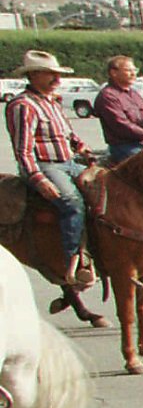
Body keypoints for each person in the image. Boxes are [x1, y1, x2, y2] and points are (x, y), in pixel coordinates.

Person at [6, 50, 97, 285]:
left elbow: (67, 133)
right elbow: (23, 150)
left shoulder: (53, 102)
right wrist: (39, 179)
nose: (57, 80)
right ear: (34, 75)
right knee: (72, 201)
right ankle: (75, 262)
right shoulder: (23, 105)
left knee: (107, 188)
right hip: (46, 166)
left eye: (58, 75)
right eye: (51, 75)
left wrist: (82, 148)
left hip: (69, 162)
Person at [91, 55, 143, 163]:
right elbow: (122, 126)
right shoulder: (108, 96)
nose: (133, 73)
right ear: (113, 73)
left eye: (135, 70)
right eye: (128, 70)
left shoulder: (134, 93)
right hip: (125, 147)